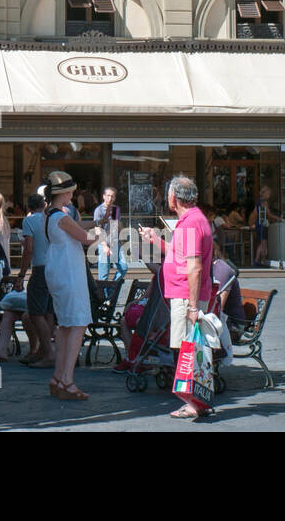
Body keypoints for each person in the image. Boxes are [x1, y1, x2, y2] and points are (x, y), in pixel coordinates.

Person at [140, 175, 213, 420]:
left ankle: (193, 402)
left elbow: (194, 266)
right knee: (189, 348)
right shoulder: (194, 220)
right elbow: (181, 255)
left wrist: (193, 306)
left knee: (187, 349)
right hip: (185, 293)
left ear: (173, 198)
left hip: (186, 296)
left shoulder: (191, 223)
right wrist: (156, 240)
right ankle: (196, 400)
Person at [42, 171, 103, 400]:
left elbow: (76, 228)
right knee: (77, 324)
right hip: (69, 273)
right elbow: (85, 238)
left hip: (57, 270)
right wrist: (104, 233)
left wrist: (96, 223)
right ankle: (66, 380)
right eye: (71, 191)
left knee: (65, 325)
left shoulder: (50, 214)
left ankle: (59, 377)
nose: (74, 194)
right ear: (65, 193)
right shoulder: (63, 216)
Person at [0, 193, 53, 366]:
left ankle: (47, 352)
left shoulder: (29, 221)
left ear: (28, 208)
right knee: (48, 311)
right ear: (44, 205)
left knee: (35, 312)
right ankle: (42, 351)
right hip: (55, 268)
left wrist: (22, 274)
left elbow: (29, 249)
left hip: (40, 268)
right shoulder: (50, 219)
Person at [93, 186, 126, 281]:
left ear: (115, 198)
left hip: (115, 243)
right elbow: (97, 229)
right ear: (103, 196)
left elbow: (116, 224)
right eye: (108, 196)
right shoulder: (99, 210)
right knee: (104, 273)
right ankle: (104, 295)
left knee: (123, 267)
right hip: (104, 243)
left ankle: (112, 288)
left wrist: (122, 239)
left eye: (112, 196)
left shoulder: (116, 209)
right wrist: (104, 245)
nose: (110, 198)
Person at [248, 185, 279, 266]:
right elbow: (268, 214)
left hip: (259, 223)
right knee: (263, 243)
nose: (269, 195)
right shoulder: (264, 202)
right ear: (264, 193)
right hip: (262, 224)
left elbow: (255, 213)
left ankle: (260, 260)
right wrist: (277, 218)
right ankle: (259, 260)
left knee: (262, 242)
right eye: (268, 193)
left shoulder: (258, 202)